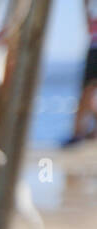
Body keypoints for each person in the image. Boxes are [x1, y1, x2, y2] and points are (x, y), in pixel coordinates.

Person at [65, 0, 97, 144]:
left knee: (87, 91)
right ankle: (79, 132)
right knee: (87, 91)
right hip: (94, 46)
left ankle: (80, 132)